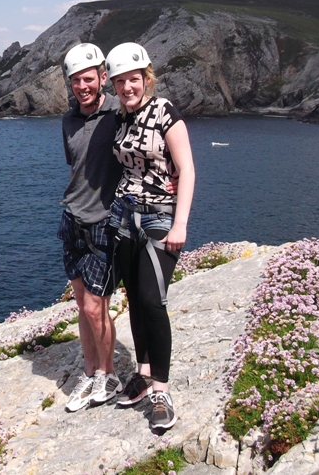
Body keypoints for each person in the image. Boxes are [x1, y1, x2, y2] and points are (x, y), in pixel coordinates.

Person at [105, 42, 195, 430]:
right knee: (134, 302)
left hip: (160, 217)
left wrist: (181, 225)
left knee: (151, 300)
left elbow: (187, 170)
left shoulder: (165, 112)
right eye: (120, 81)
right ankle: (142, 372)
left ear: (146, 78)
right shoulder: (120, 118)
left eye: (133, 79)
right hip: (123, 218)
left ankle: (161, 389)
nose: (127, 87)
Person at [58, 43, 124, 412]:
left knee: (98, 308)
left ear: (102, 77)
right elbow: (75, 166)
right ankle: (89, 371)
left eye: (88, 79)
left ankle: (108, 373)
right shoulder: (68, 120)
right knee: (82, 306)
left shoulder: (119, 112)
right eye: (75, 81)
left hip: (103, 222)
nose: (82, 86)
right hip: (72, 218)